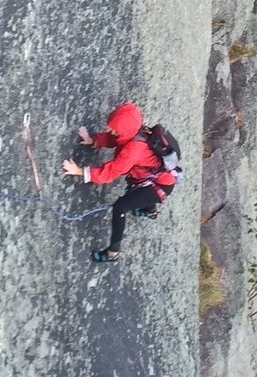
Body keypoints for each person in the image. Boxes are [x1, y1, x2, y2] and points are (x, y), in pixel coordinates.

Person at [61, 101, 175, 263]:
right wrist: (94, 140)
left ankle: (113, 252)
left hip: (159, 186)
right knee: (139, 191)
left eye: (114, 129)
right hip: (156, 179)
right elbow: (115, 139)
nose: (111, 130)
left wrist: (80, 171)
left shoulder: (132, 151)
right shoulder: (137, 132)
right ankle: (150, 212)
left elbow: (110, 172)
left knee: (121, 207)